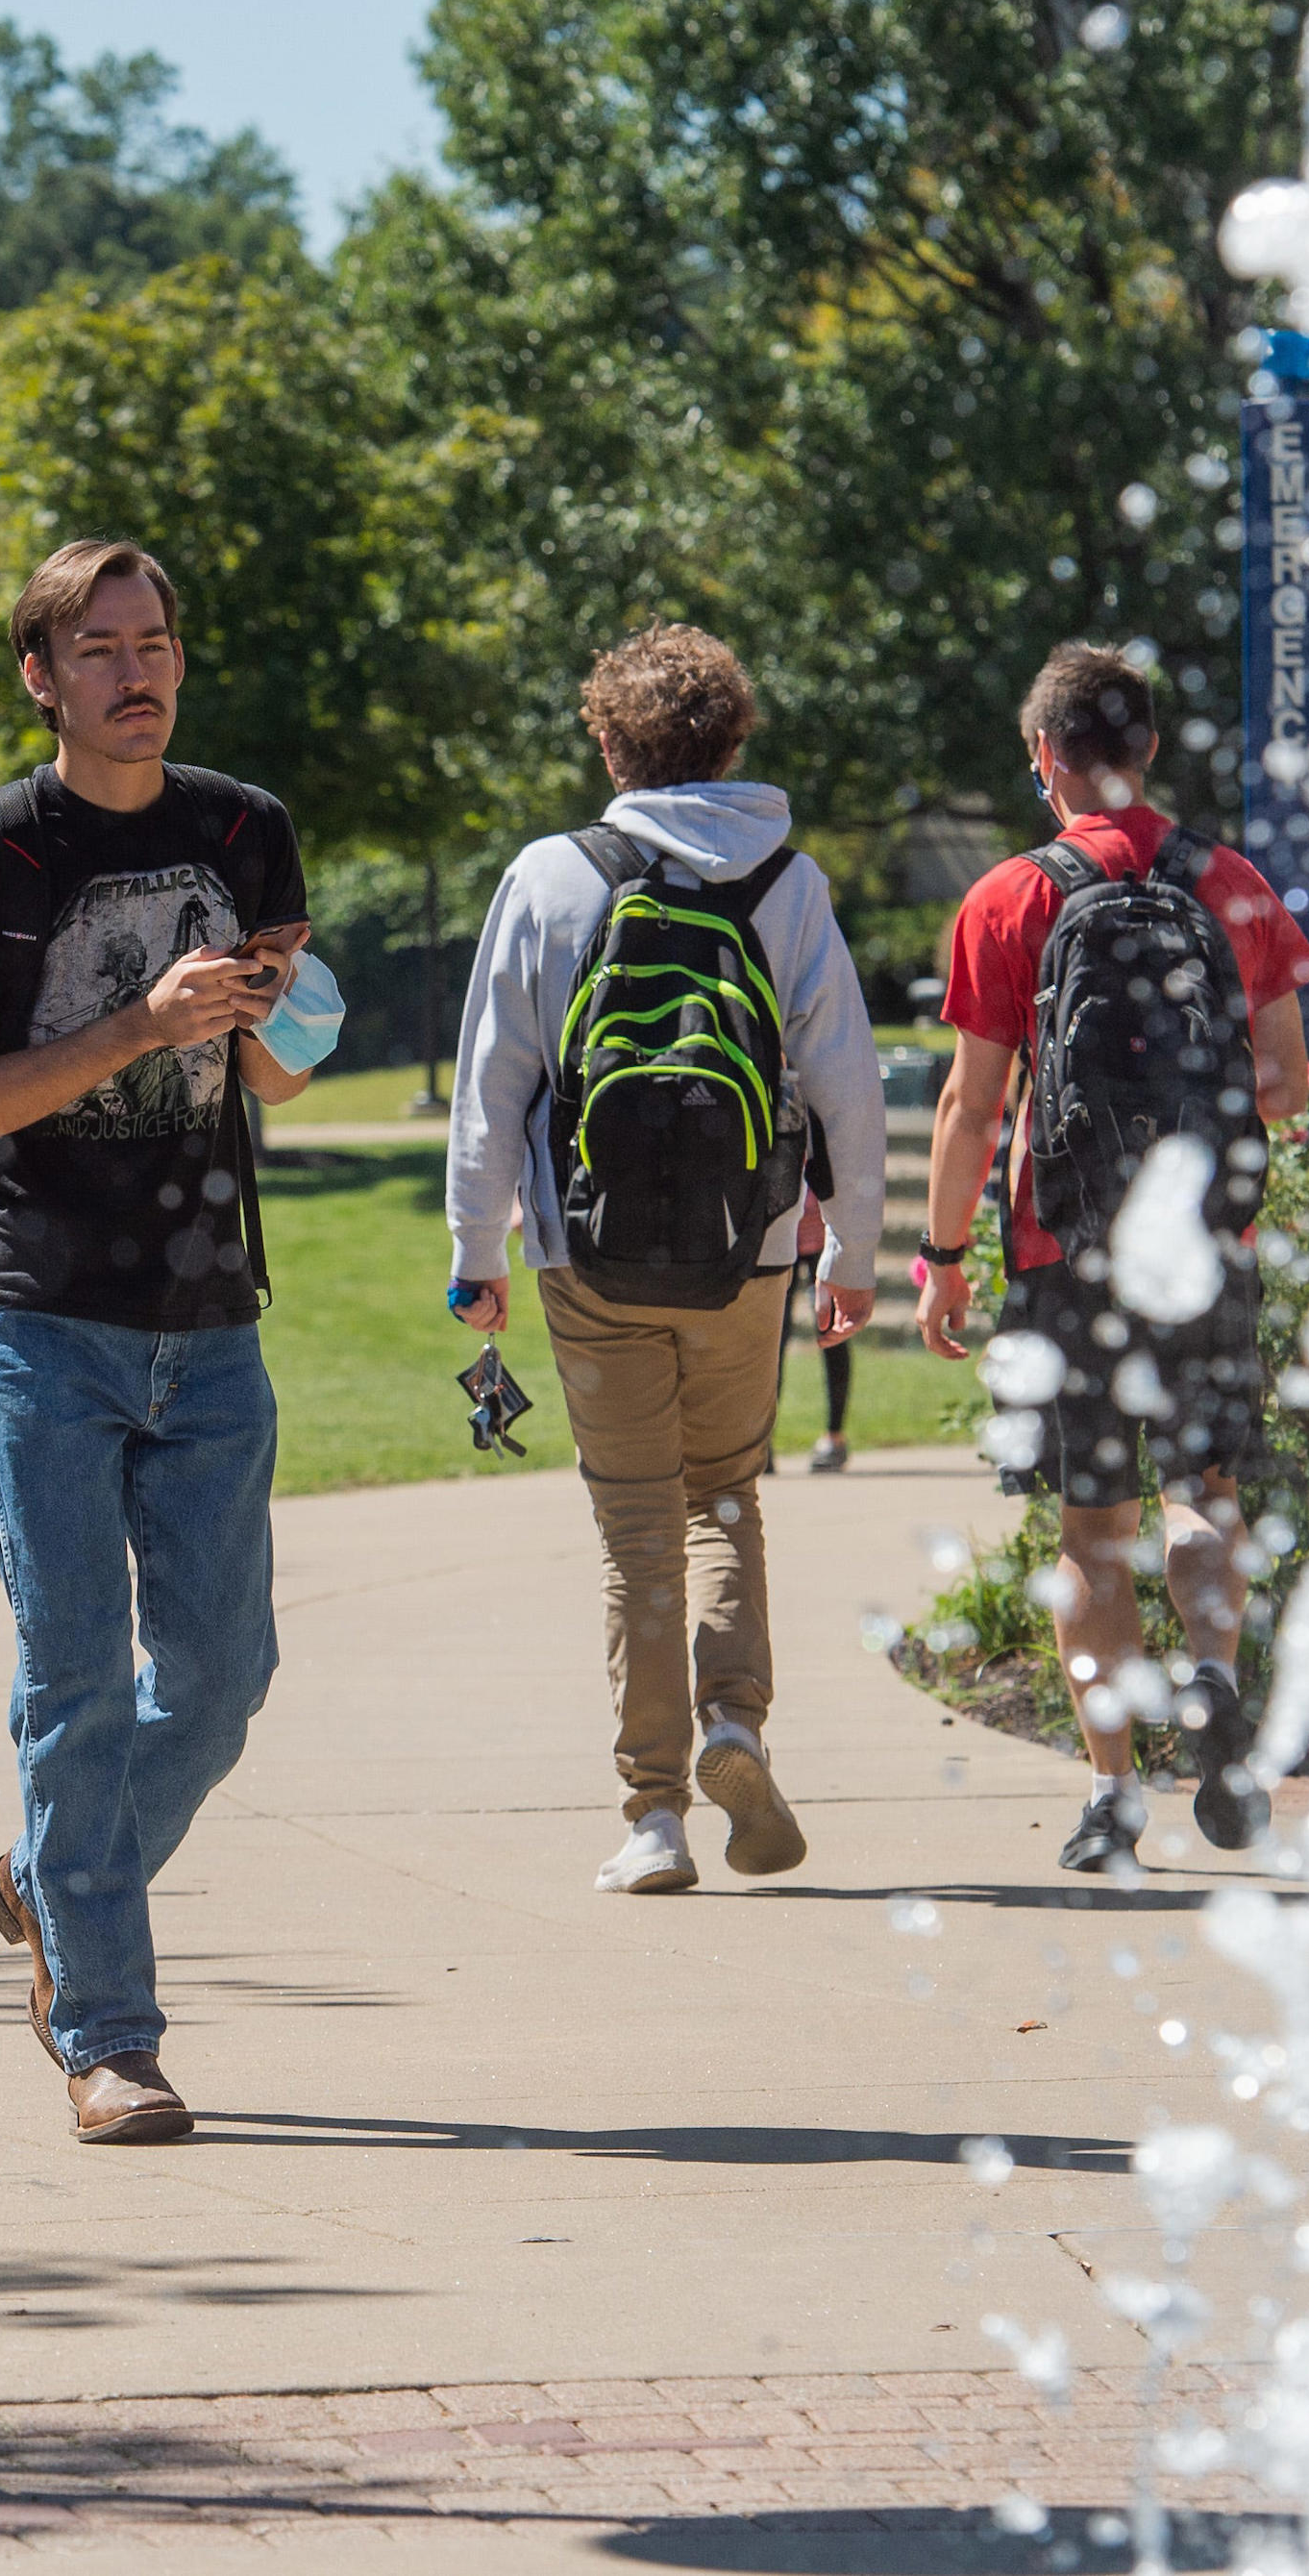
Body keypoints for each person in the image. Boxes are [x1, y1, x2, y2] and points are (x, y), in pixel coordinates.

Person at [0, 537, 311, 2147]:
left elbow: (278, 1077)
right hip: (37, 1311)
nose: (137, 672)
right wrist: (140, 1024)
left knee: (218, 1677)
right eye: (100, 648)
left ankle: (44, 1880)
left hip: (210, 1317)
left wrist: (274, 1013)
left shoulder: (242, 827)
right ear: (39, 673)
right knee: (70, 1680)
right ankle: (107, 2036)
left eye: (155, 643)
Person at [443, 626, 888, 1896]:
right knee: (727, 1492)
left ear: (607, 741)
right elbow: (846, 1083)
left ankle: (652, 1816)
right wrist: (849, 1253)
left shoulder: (548, 875)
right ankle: (734, 1723)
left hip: (588, 1252)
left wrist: (478, 1252)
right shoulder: (788, 886)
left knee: (634, 1519)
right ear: (736, 739)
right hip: (747, 1254)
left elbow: (492, 1086)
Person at [915, 641, 1309, 1872]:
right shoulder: (1232, 882)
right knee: (1205, 1495)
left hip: (1063, 1248)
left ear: (1045, 758)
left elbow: (973, 1108)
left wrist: (943, 1256)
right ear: (1146, 749)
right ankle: (1209, 1676)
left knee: (1091, 1533)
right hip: (1204, 1250)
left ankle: (1112, 1801)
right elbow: (1289, 1088)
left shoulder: (1009, 897)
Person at [780, 1191, 856, 1474]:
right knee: (771, 1339)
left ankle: (834, 1436)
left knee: (833, 1334)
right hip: (775, 1228)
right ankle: (760, 1440)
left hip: (828, 1230)